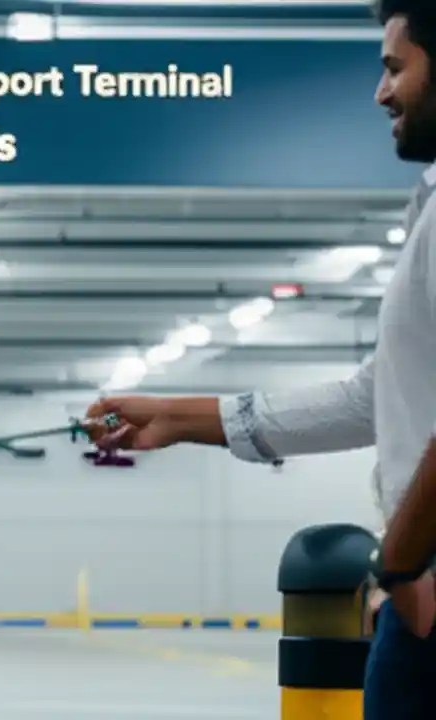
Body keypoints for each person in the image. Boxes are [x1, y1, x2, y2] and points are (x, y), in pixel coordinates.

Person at [83, 2, 436, 714]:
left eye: (395, 68)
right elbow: (380, 396)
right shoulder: (428, 206)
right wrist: (180, 417)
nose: (380, 93)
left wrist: (398, 560)